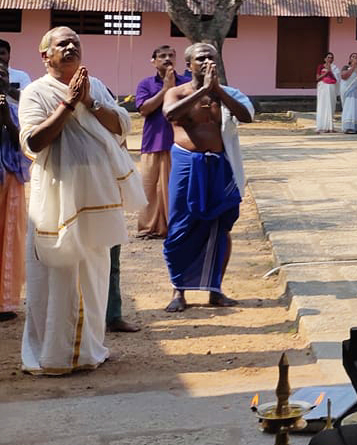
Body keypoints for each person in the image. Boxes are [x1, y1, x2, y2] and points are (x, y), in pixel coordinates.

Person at [19, 28, 145, 374]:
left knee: (94, 276)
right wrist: (68, 103)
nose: (71, 46)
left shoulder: (97, 86)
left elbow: (120, 126)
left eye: (76, 42)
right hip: (58, 198)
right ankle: (54, 356)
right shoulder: (35, 92)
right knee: (56, 276)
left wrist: (89, 100)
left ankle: (89, 351)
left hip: (98, 198)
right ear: (45, 56)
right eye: (62, 43)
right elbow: (34, 142)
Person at [161, 43, 254, 313]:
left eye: (211, 57)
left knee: (220, 228)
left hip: (219, 167)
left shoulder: (228, 94)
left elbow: (247, 116)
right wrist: (203, 91)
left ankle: (215, 290)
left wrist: (218, 92)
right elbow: (170, 114)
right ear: (188, 65)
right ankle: (179, 291)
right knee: (180, 227)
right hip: (187, 165)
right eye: (200, 58)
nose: (206, 61)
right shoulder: (177, 93)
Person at [133, 45, 190, 239]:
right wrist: (166, 89)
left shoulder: (187, 82)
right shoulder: (146, 84)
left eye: (171, 55)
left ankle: (175, 227)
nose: (167, 59)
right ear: (154, 61)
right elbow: (144, 109)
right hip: (153, 142)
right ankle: (149, 227)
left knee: (174, 188)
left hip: (180, 143)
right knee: (149, 188)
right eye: (162, 56)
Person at [0, 58, 30, 322]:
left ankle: (4, 301)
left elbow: (20, 142)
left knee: (8, 237)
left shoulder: (14, 107)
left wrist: (4, 111)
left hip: (8, 179)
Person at [338, 53, 357, 134]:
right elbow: (344, 76)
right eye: (352, 57)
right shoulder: (345, 67)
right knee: (349, 109)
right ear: (349, 59)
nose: (354, 58)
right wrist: (353, 67)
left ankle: (356, 127)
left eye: (356, 57)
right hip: (349, 92)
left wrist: (356, 67)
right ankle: (348, 127)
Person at [315, 53, 338, 133]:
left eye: (331, 58)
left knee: (330, 106)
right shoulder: (320, 67)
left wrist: (331, 71)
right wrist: (326, 72)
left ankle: (330, 127)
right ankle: (321, 126)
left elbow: (337, 78)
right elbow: (317, 78)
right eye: (328, 57)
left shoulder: (335, 68)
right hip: (323, 87)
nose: (330, 59)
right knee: (323, 105)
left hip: (331, 87)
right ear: (325, 59)